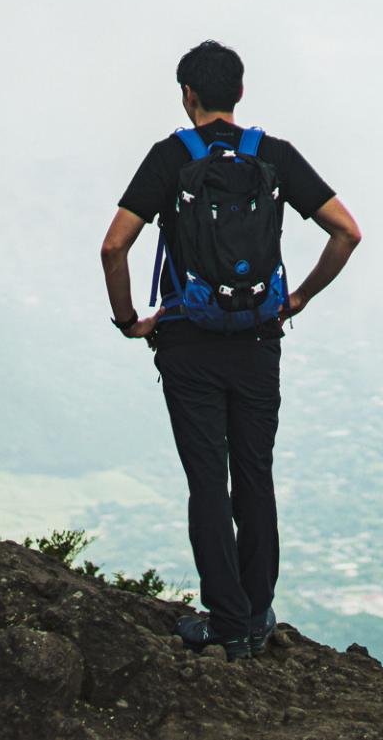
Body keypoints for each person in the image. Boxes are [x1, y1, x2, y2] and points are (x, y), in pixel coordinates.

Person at [102, 40, 361, 657]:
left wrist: (129, 319)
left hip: (188, 343)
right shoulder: (273, 155)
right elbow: (347, 232)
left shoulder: (170, 157)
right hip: (257, 340)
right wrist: (296, 299)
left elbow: (114, 247)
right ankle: (258, 612)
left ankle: (225, 621)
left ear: (188, 96)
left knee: (207, 483)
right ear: (239, 93)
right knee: (255, 475)